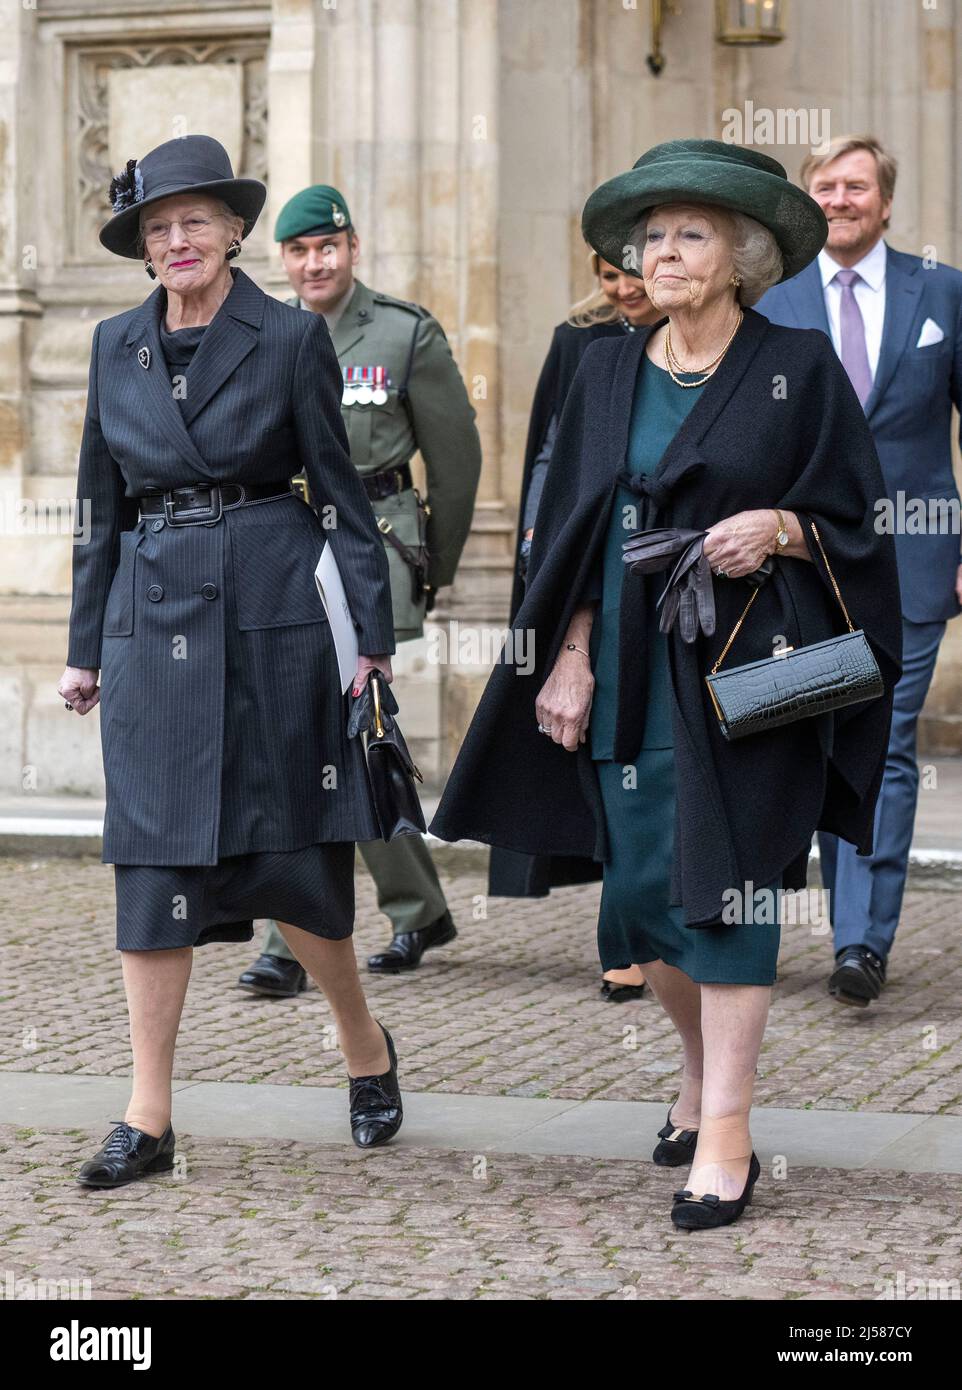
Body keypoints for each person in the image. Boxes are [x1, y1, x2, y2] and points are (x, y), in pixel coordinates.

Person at [429, 139, 902, 1229]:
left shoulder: (797, 368)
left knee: (728, 883)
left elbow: (856, 525)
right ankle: (696, 1073)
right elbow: (579, 529)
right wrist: (568, 650)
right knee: (643, 905)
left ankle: (726, 1130)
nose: (664, 251)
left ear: (738, 257)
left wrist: (777, 527)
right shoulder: (604, 369)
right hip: (629, 660)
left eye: (689, 234)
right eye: (652, 236)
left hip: (747, 665)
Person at [58, 136, 403, 1188]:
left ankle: (362, 1046)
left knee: (289, 864)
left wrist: (371, 643)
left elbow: (344, 502)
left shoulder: (292, 338)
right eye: (158, 228)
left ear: (233, 231)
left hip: (271, 615)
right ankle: (148, 1115)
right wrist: (83, 648)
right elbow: (96, 508)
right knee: (151, 866)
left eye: (195, 222)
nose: (176, 241)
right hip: (150, 621)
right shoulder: (114, 344)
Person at [238, 184, 482, 994]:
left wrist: (431, 569)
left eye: (328, 248)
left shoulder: (404, 332)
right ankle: (412, 909)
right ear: (283, 259)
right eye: (300, 252)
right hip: (292, 553)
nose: (315, 264)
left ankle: (290, 937)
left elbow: (457, 462)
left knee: (329, 732)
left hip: (374, 551)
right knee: (333, 736)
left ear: (352, 247)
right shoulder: (265, 332)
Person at [756, 135, 962, 1009]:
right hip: (809, 564)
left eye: (856, 186)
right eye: (826, 187)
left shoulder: (942, 291)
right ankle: (766, 922)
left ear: (885, 199)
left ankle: (861, 941)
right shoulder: (776, 300)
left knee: (889, 740)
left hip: (915, 561)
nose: (841, 199)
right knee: (822, 734)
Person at [490, 251, 662, 1003]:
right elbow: (547, 466)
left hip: (690, 570)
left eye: (635, 270)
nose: (623, 287)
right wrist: (543, 570)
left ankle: (690, 931)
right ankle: (621, 937)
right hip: (596, 573)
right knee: (606, 758)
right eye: (606, 271)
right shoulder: (578, 342)